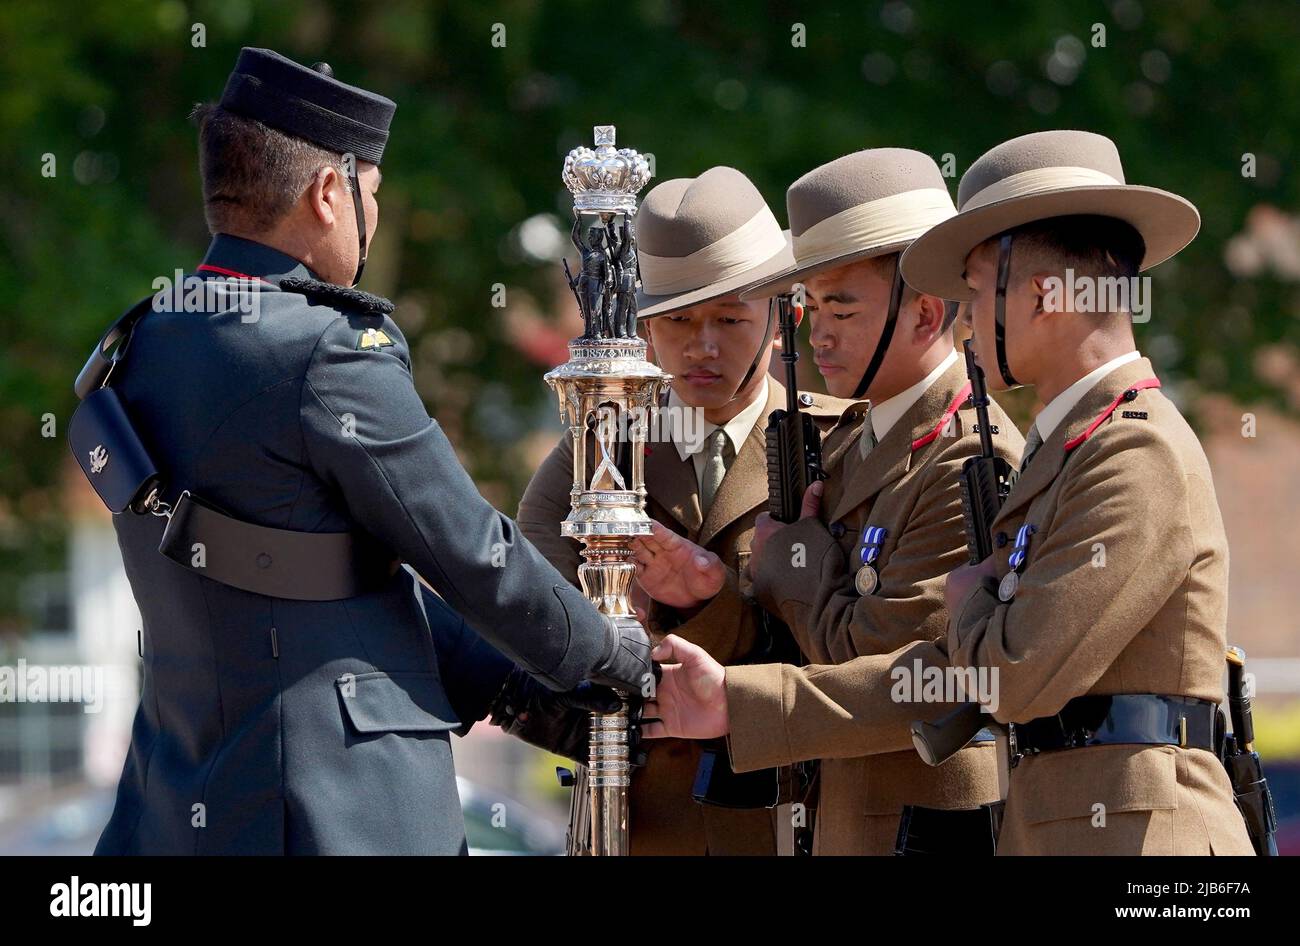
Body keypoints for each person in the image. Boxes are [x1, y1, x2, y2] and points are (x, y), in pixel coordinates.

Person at [83, 47, 649, 855]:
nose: (372, 219)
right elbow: (470, 550)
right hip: (336, 807)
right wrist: (606, 652)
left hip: (175, 805)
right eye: (370, 195)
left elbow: (321, 574)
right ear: (325, 193)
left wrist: (513, 683)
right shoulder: (326, 349)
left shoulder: (141, 343)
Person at [635, 149, 1024, 855]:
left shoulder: (968, 456)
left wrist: (799, 578)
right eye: (810, 307)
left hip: (928, 826)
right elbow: (787, 636)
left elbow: (899, 667)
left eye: (841, 307)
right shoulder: (852, 446)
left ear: (926, 314)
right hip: (845, 818)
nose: (820, 333)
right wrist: (714, 595)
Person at [899, 129, 1254, 854]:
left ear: (1043, 296)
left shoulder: (1135, 448)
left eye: (973, 291)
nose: (965, 320)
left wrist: (967, 602)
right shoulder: (1073, 446)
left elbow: (1016, 678)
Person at [518, 166, 853, 854]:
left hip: (790, 825)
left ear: (783, 316)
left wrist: (713, 602)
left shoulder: (839, 447)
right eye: (677, 320)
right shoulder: (597, 453)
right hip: (638, 827)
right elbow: (525, 626)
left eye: (730, 319)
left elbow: (854, 652)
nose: (702, 346)